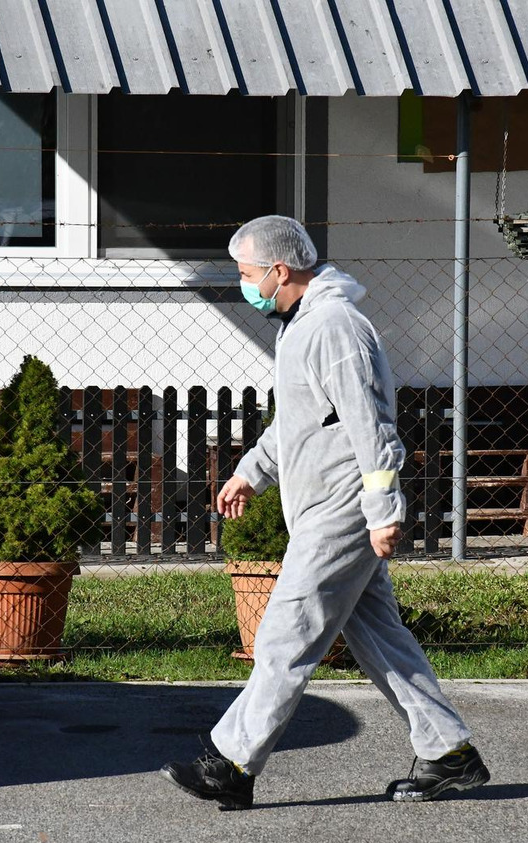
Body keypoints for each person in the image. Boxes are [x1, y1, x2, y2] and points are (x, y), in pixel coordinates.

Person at [160, 215, 488, 810]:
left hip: (340, 508)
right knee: (380, 638)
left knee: (286, 634)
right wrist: (252, 471)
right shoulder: (302, 325)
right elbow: (300, 419)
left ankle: (232, 762)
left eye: (248, 274)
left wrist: (384, 507)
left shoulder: (334, 327)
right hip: (325, 505)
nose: (245, 285)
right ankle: (450, 754)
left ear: (280, 271)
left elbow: (372, 425)